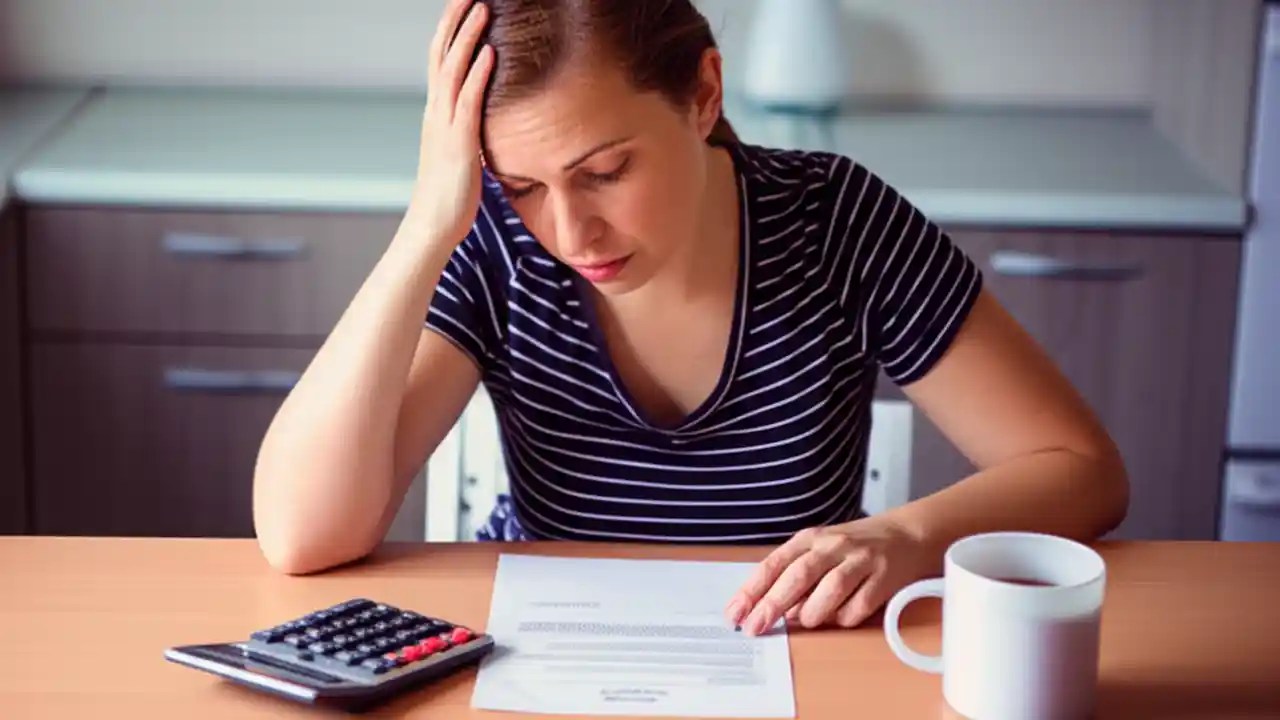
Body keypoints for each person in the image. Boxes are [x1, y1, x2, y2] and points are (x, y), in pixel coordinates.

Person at [252, 0, 1129, 635]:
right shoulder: (497, 244)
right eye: (521, 186)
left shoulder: (834, 221)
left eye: (605, 170)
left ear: (703, 94)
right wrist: (427, 225)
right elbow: (301, 534)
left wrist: (908, 536)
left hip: (790, 655)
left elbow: (1083, 470)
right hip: (543, 654)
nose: (570, 230)